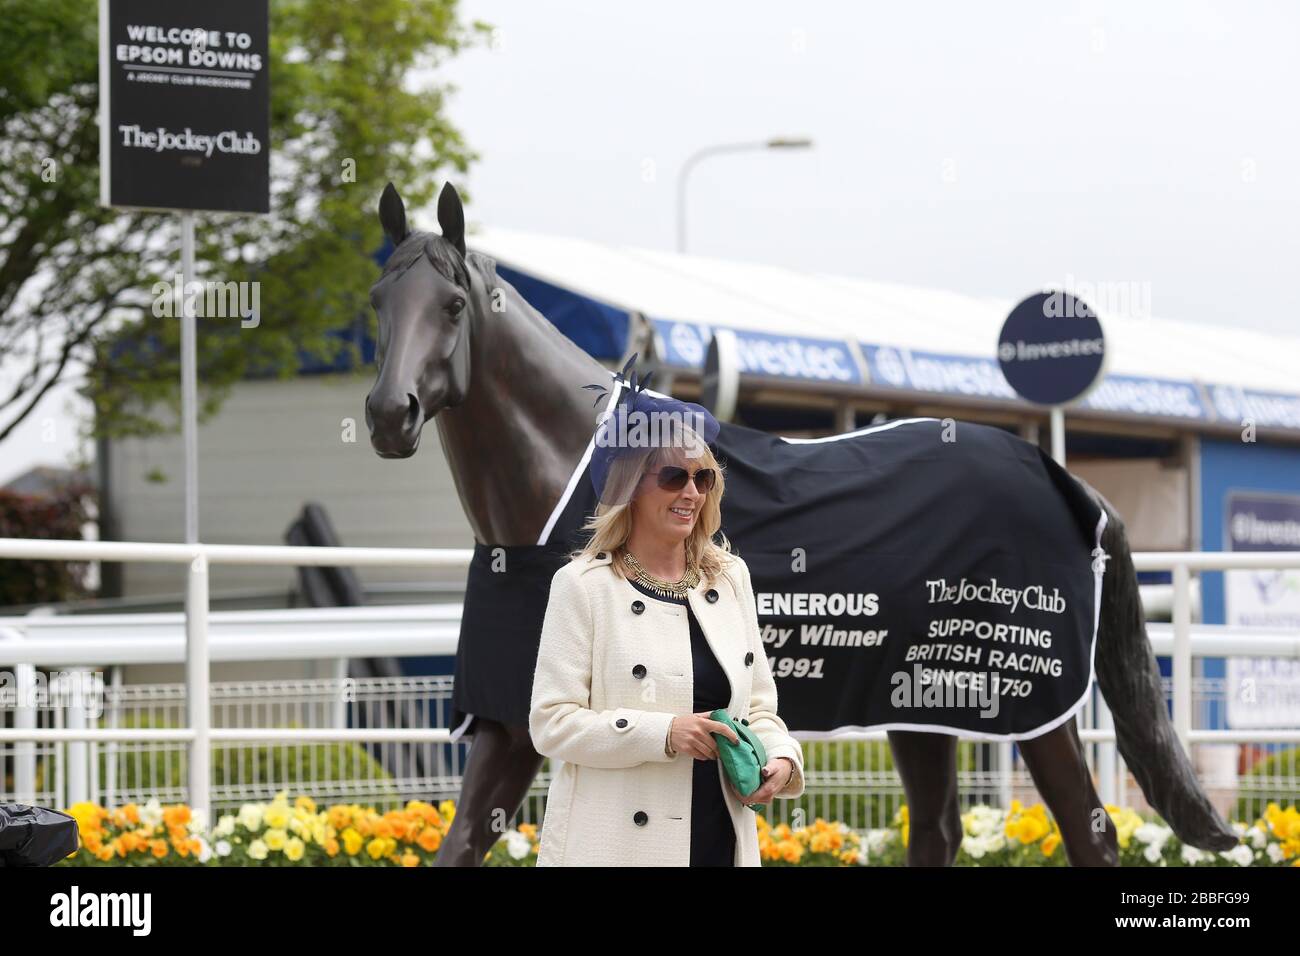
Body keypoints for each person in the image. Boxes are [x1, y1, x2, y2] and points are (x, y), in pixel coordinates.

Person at [528, 373, 804, 866]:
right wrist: (662, 733)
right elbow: (552, 724)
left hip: (720, 833)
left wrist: (781, 756)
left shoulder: (729, 577)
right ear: (628, 486)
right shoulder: (582, 586)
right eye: (675, 477)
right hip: (618, 846)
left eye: (704, 479)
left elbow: (759, 708)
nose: (692, 493)